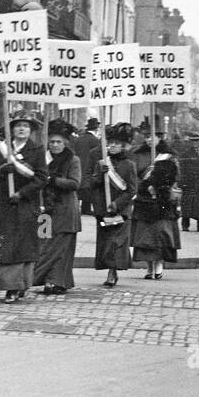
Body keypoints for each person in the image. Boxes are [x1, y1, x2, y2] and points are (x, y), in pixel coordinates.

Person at [0, 111, 46, 304]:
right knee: (7, 246)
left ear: (30, 130)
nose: (22, 129)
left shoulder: (37, 150)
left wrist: (22, 193)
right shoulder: (1, 149)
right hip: (4, 204)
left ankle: (20, 285)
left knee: (23, 247)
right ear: (12, 129)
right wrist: (3, 169)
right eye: (18, 125)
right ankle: (10, 286)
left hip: (26, 204)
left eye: (26, 126)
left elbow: (41, 178)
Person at [34, 120, 82, 296]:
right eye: (52, 142)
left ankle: (55, 281)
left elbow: (75, 183)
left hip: (65, 210)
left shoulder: (73, 160)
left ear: (65, 143)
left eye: (58, 142)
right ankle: (44, 278)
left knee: (61, 248)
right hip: (44, 210)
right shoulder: (42, 159)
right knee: (44, 245)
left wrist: (52, 180)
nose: (54, 145)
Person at [90, 123, 138, 288]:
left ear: (123, 146)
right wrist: (99, 175)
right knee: (106, 241)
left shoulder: (129, 165)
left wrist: (117, 204)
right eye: (110, 143)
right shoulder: (102, 163)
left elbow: (132, 190)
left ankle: (113, 271)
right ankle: (110, 269)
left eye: (117, 144)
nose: (112, 146)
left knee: (116, 242)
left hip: (121, 212)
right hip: (104, 211)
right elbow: (92, 184)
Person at [131, 139, 180, 280]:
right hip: (144, 200)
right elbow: (134, 176)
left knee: (161, 235)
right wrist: (144, 186)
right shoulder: (138, 154)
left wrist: (158, 186)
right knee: (145, 237)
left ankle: (159, 265)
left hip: (162, 200)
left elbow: (174, 177)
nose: (149, 140)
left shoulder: (168, 156)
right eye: (146, 136)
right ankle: (149, 267)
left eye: (153, 137)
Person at [177, 133, 199, 232]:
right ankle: (185, 225)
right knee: (187, 205)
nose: (195, 143)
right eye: (193, 141)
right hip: (189, 184)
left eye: (197, 141)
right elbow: (181, 170)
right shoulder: (185, 154)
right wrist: (182, 183)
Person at [76, 118, 101, 217]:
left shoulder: (79, 139)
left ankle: (77, 207)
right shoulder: (95, 140)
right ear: (96, 129)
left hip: (78, 165)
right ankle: (86, 208)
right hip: (89, 166)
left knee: (78, 187)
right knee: (88, 187)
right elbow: (97, 155)